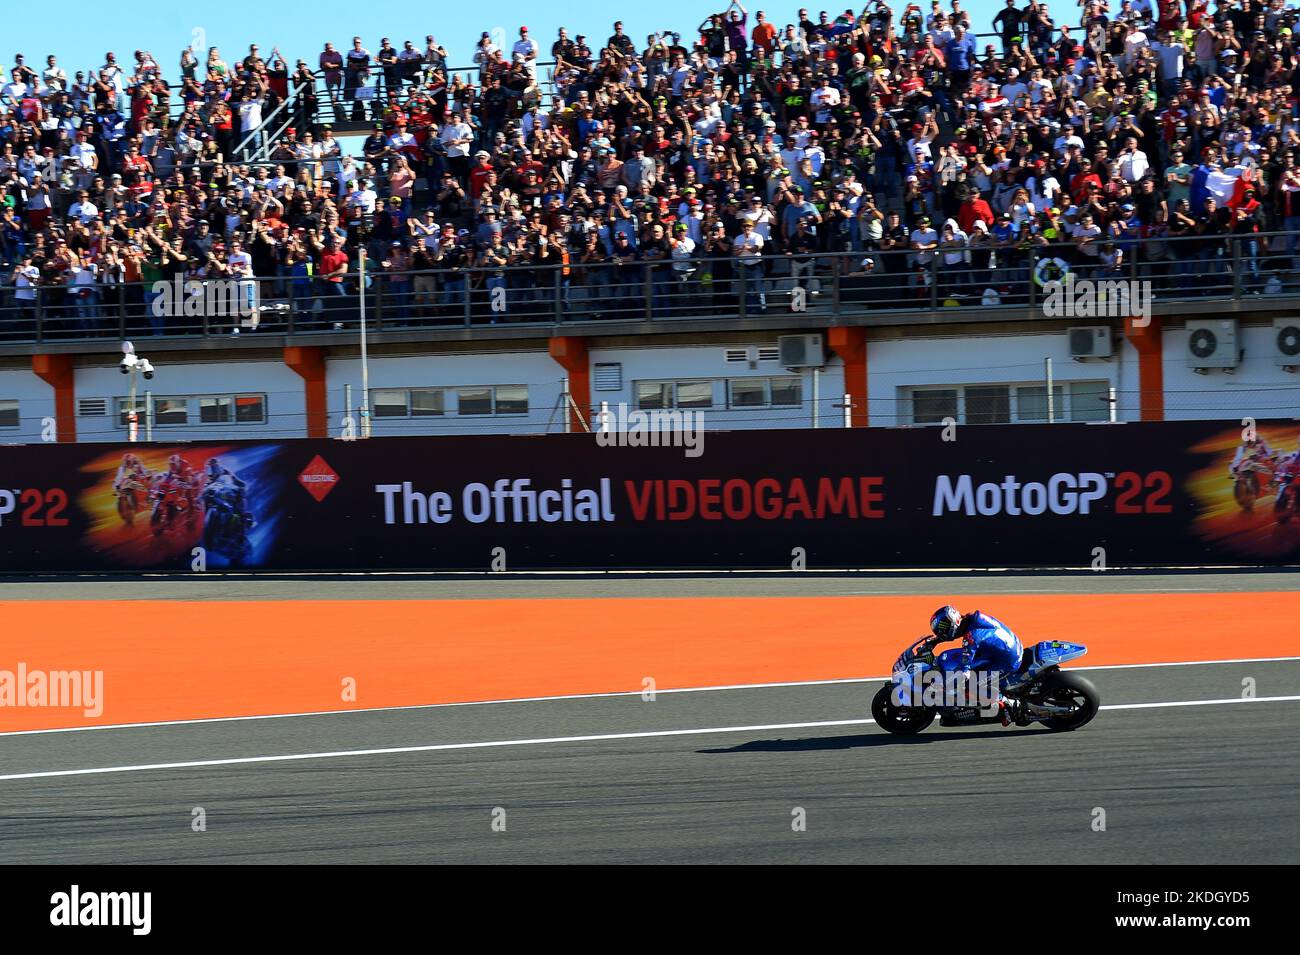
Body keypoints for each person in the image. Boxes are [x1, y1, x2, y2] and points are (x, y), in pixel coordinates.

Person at [922, 605, 1024, 725]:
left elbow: (967, 654)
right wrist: (936, 640)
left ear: (954, 620)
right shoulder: (970, 620)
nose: (941, 632)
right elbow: (961, 635)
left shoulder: (971, 635)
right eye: (939, 629)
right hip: (1002, 650)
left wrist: (965, 672)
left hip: (1007, 660)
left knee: (973, 682)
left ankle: (1007, 704)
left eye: (943, 627)